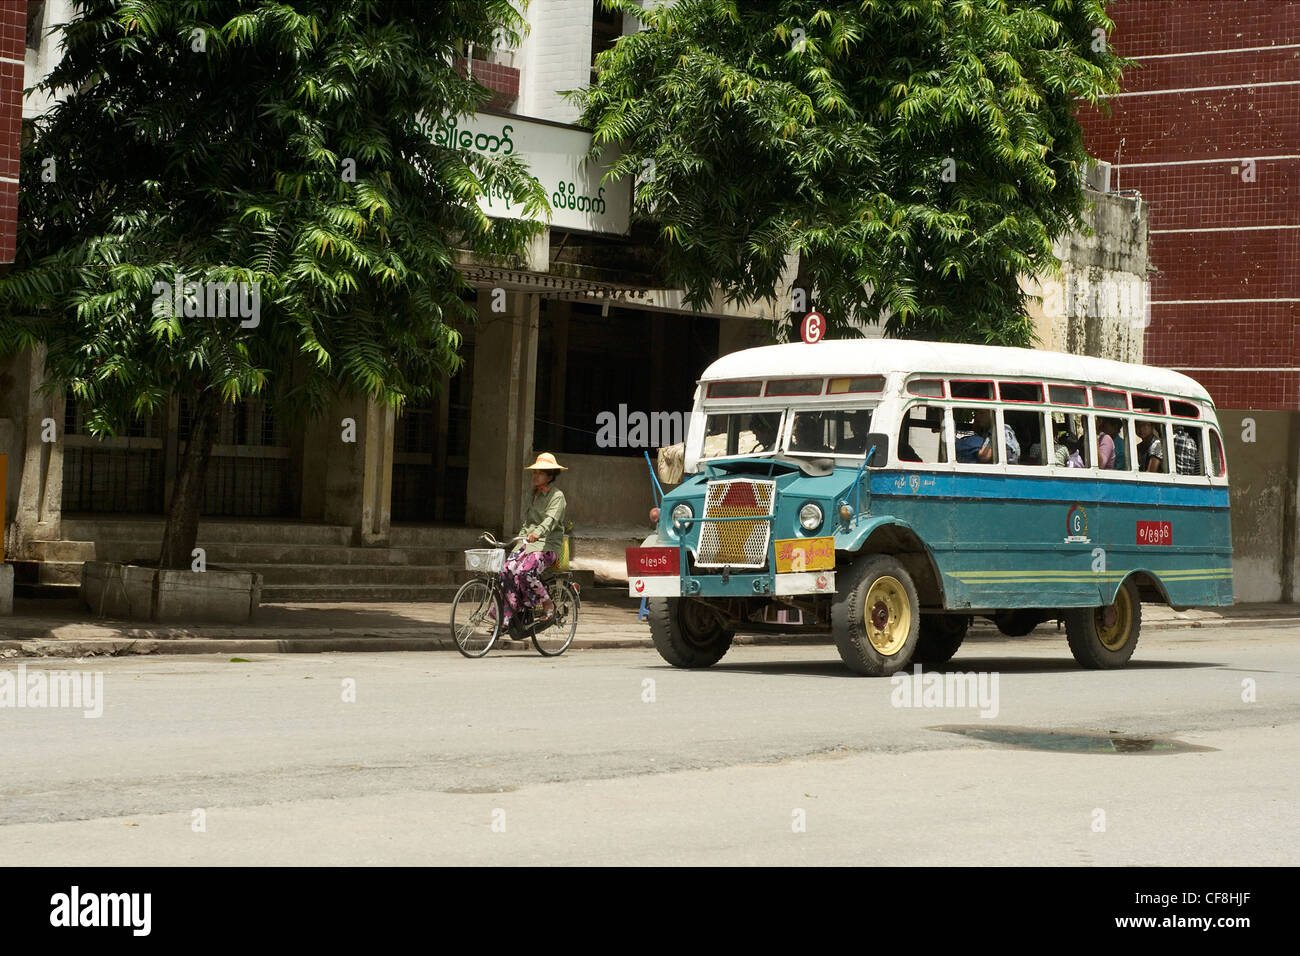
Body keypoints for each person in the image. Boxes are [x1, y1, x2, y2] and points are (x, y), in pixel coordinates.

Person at [500, 452, 569, 629]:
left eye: (540, 472)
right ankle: (507, 618)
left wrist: (538, 532)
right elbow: (527, 522)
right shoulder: (533, 494)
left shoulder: (557, 496)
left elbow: (550, 520)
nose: (535, 475)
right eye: (534, 472)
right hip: (529, 543)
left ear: (550, 475)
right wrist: (518, 543)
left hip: (548, 545)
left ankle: (547, 603)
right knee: (506, 570)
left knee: (526, 572)